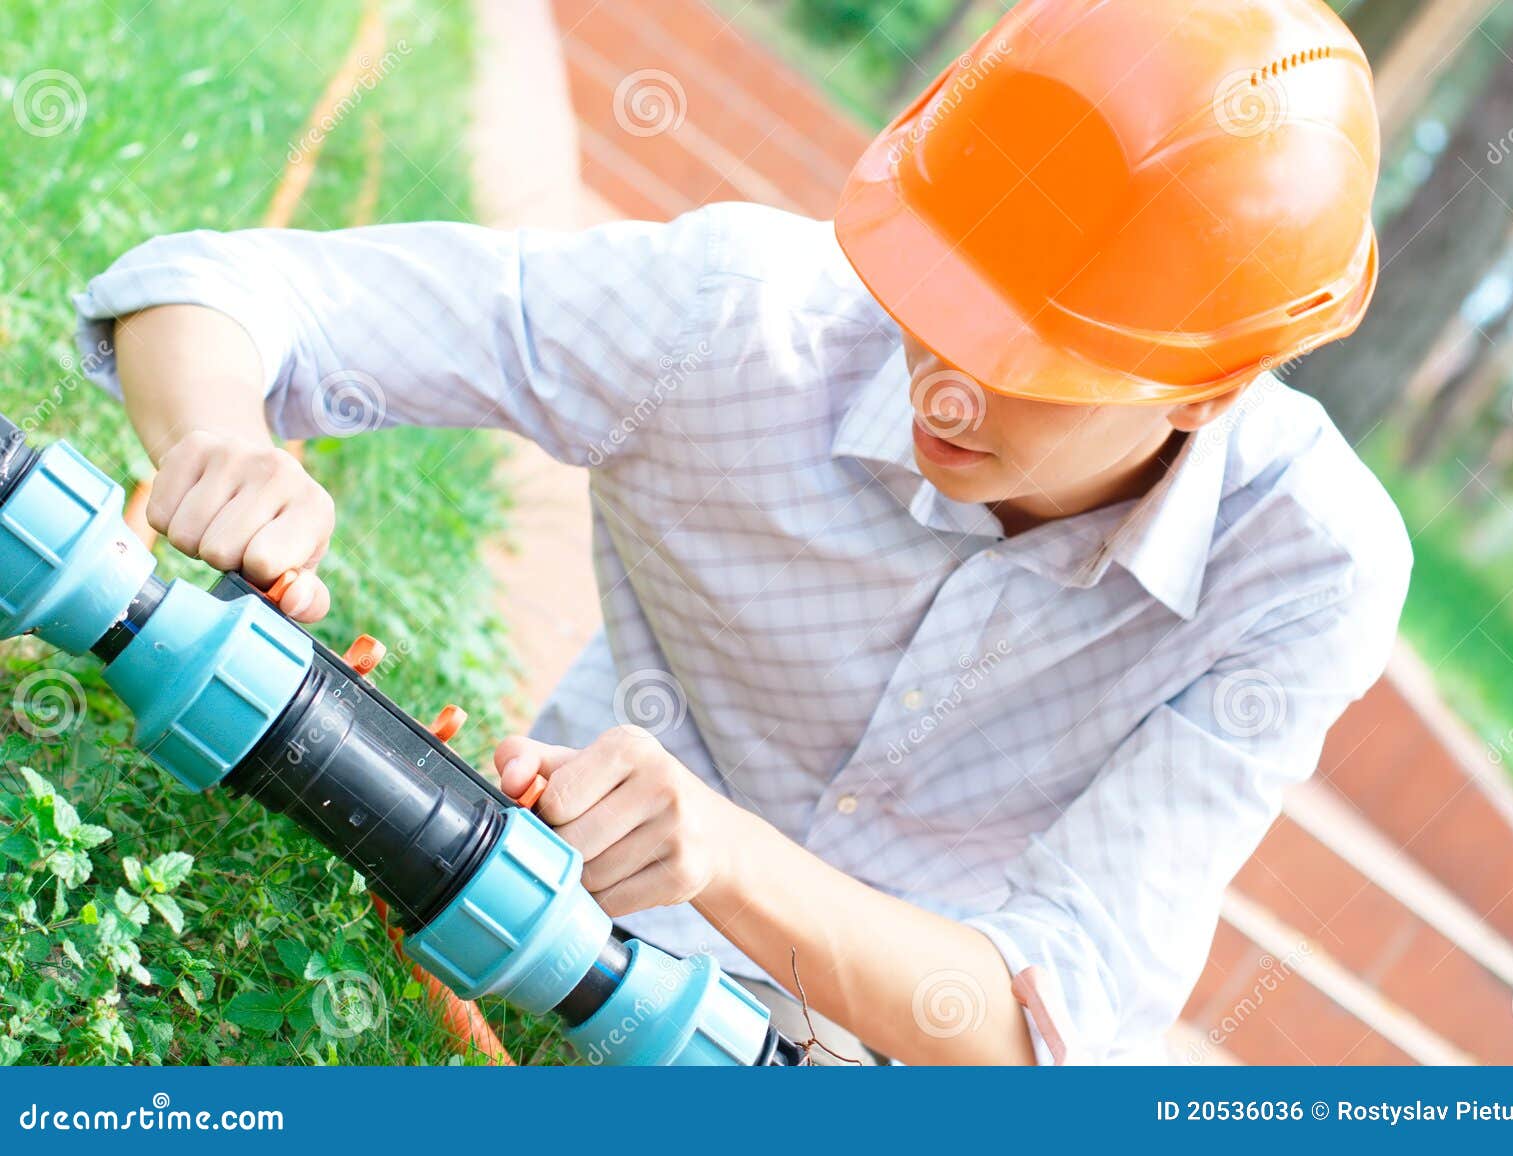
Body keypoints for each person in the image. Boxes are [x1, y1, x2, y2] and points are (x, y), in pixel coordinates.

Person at [74, 0, 1408, 1064]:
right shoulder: (735, 321)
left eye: (1030, 360)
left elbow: (1039, 1025)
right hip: (572, 961)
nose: (946, 373)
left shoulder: (1305, 569)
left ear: (1209, 388)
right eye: (934, 289)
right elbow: (217, 289)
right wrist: (224, 443)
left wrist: (726, 859)